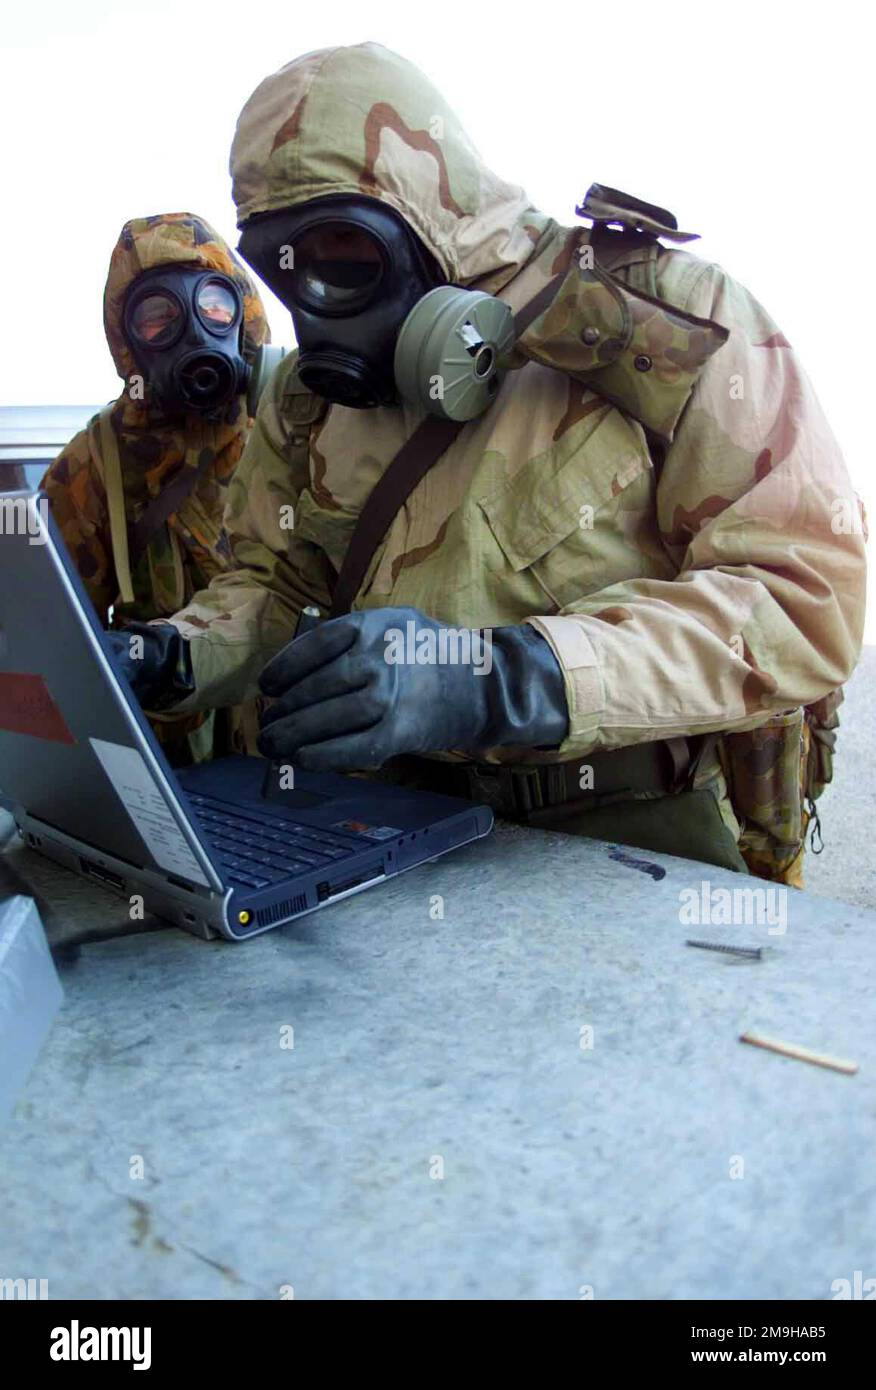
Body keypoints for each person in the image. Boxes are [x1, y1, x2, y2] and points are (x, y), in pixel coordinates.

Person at [122, 44, 866, 881]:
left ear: (425, 218)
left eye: (344, 256)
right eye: (286, 269)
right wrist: (170, 656)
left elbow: (803, 598)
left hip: (627, 834)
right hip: (395, 822)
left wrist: (494, 681)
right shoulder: (307, 399)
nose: (315, 307)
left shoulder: (663, 319)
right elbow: (275, 584)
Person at [42, 212, 270, 763]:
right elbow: (59, 638)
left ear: (243, 316)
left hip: (277, 744)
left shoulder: (288, 436)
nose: (196, 330)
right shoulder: (97, 462)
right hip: (167, 755)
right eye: (159, 318)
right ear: (129, 344)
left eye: (216, 305)